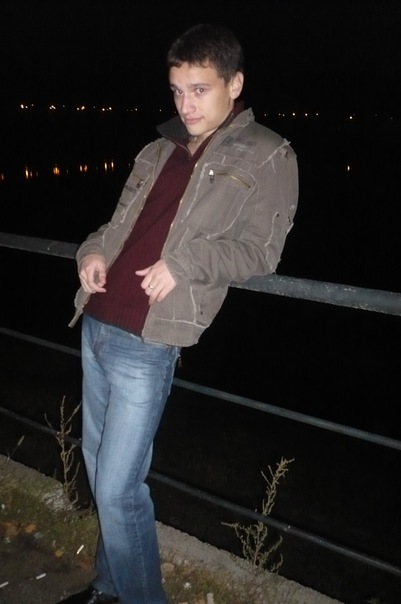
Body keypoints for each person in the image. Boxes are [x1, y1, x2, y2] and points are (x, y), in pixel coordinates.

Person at [61, 22, 298, 604]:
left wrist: (187, 262)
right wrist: (91, 252)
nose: (186, 104)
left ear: (234, 84)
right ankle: (108, 588)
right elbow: (117, 225)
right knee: (100, 471)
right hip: (97, 319)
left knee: (118, 489)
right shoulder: (157, 148)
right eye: (177, 91)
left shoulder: (269, 153)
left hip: (150, 336)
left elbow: (261, 253)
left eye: (199, 89)